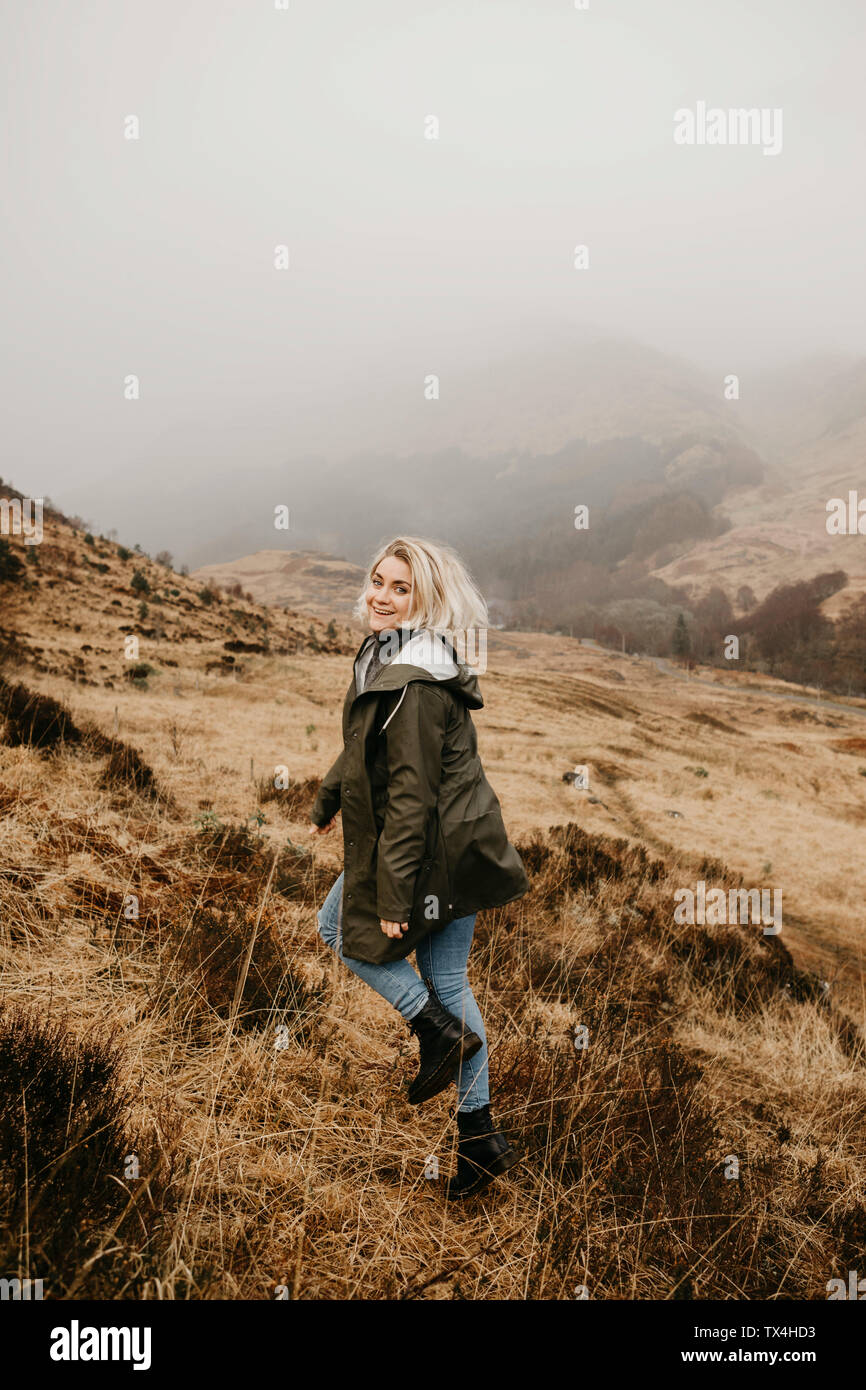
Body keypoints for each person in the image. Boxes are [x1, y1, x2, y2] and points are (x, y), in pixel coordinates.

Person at [309, 535, 530, 1199]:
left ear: (424, 599)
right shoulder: (389, 653)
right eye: (378, 580)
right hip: (455, 845)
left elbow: (410, 798)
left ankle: (433, 1032)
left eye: (400, 588)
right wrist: (327, 798)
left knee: (339, 930)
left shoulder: (416, 678)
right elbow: (361, 746)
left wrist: (396, 899)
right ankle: (480, 1138)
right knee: (448, 980)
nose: (381, 595)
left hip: (436, 852)